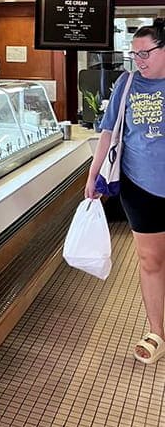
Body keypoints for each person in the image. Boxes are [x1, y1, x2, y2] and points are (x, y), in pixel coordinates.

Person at [85, 18, 165, 364]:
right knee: (150, 260)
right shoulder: (127, 83)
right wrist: (92, 176)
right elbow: (109, 132)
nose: (139, 61)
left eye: (145, 53)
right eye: (135, 54)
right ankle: (157, 332)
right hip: (140, 186)